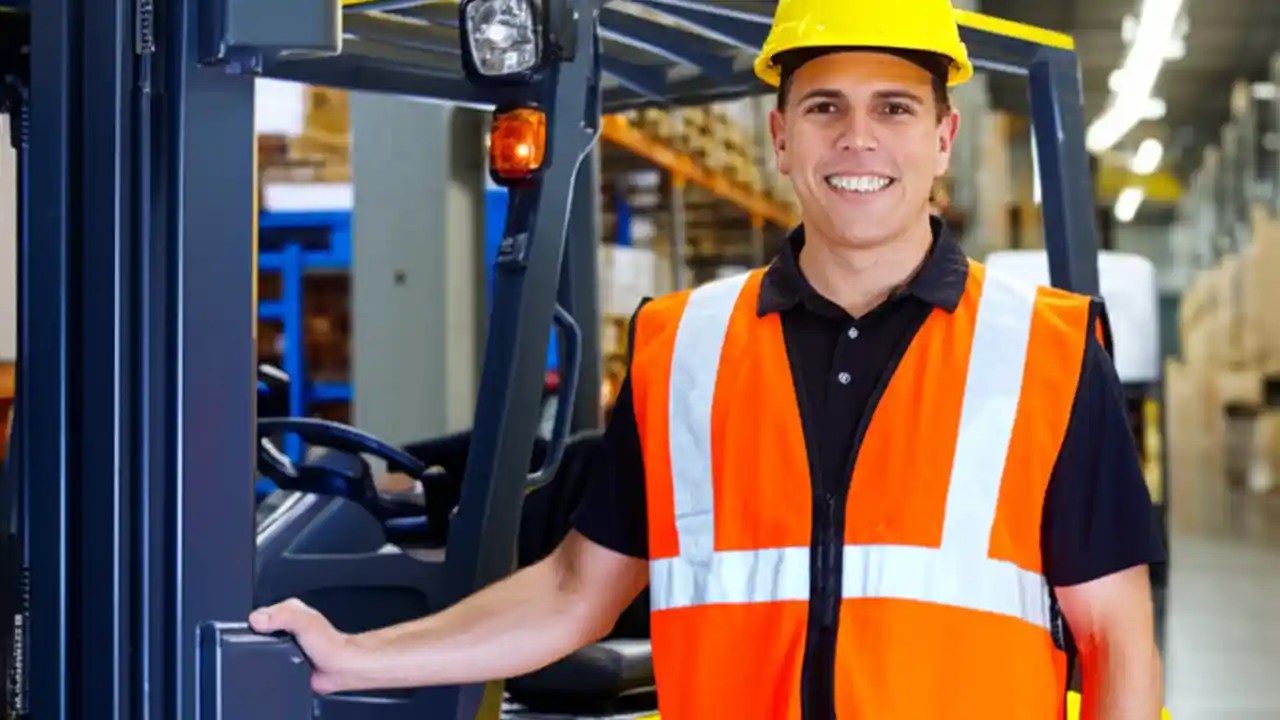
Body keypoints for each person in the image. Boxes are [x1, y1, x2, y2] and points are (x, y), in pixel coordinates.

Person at [248, 0, 1168, 716]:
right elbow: (574, 592)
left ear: (942, 138)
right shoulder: (684, 347)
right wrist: (361, 653)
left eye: (894, 108)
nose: (858, 139)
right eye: (823, 108)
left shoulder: (1041, 351)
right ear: (781, 138)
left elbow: (1115, 639)